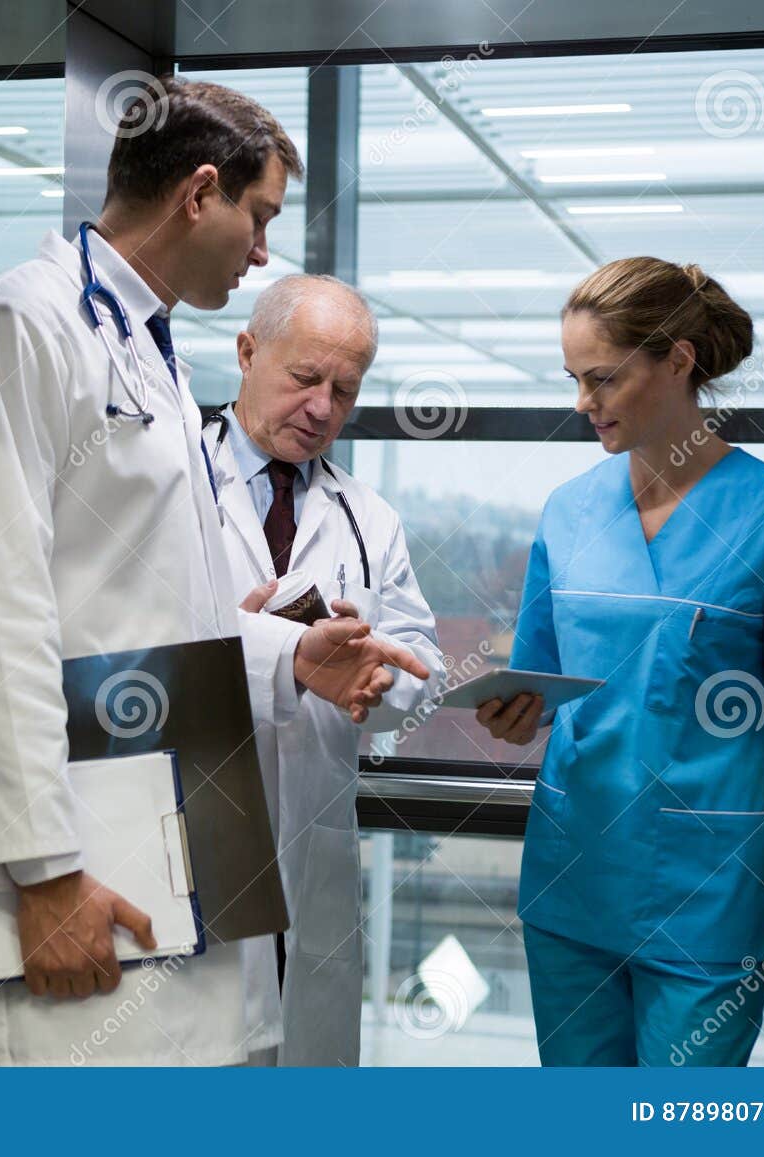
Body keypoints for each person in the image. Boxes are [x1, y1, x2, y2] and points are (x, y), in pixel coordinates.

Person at [0, 77, 429, 1067]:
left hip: (170, 841)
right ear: (199, 193)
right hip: (74, 859)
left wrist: (291, 655)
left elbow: (161, 603)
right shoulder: (20, 326)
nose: (263, 250)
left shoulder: (148, 354)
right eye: (259, 216)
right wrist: (45, 870)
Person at [477, 256, 764, 1067]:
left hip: (707, 891)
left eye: (604, 379)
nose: (584, 403)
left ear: (678, 359)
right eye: (575, 379)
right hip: (571, 879)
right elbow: (539, 693)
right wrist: (511, 717)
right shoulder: (569, 512)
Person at [203, 274, 443, 1066]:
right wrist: (259, 644)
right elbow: (125, 640)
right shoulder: (173, 483)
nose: (322, 408)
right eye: (305, 378)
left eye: (345, 390)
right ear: (246, 352)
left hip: (313, 852)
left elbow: (421, 661)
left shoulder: (368, 518)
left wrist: (377, 676)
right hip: (191, 838)